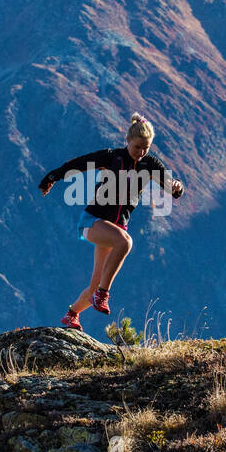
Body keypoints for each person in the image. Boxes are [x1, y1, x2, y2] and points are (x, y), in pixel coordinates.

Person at [38, 112, 185, 329]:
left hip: (116, 229)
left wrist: (177, 187)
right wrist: (52, 177)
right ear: (127, 140)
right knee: (125, 242)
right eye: (137, 147)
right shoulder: (112, 157)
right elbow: (79, 164)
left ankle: (72, 314)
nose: (141, 152)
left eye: (146, 148)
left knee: (95, 282)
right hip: (93, 221)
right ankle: (103, 295)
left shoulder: (150, 164)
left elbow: (169, 183)